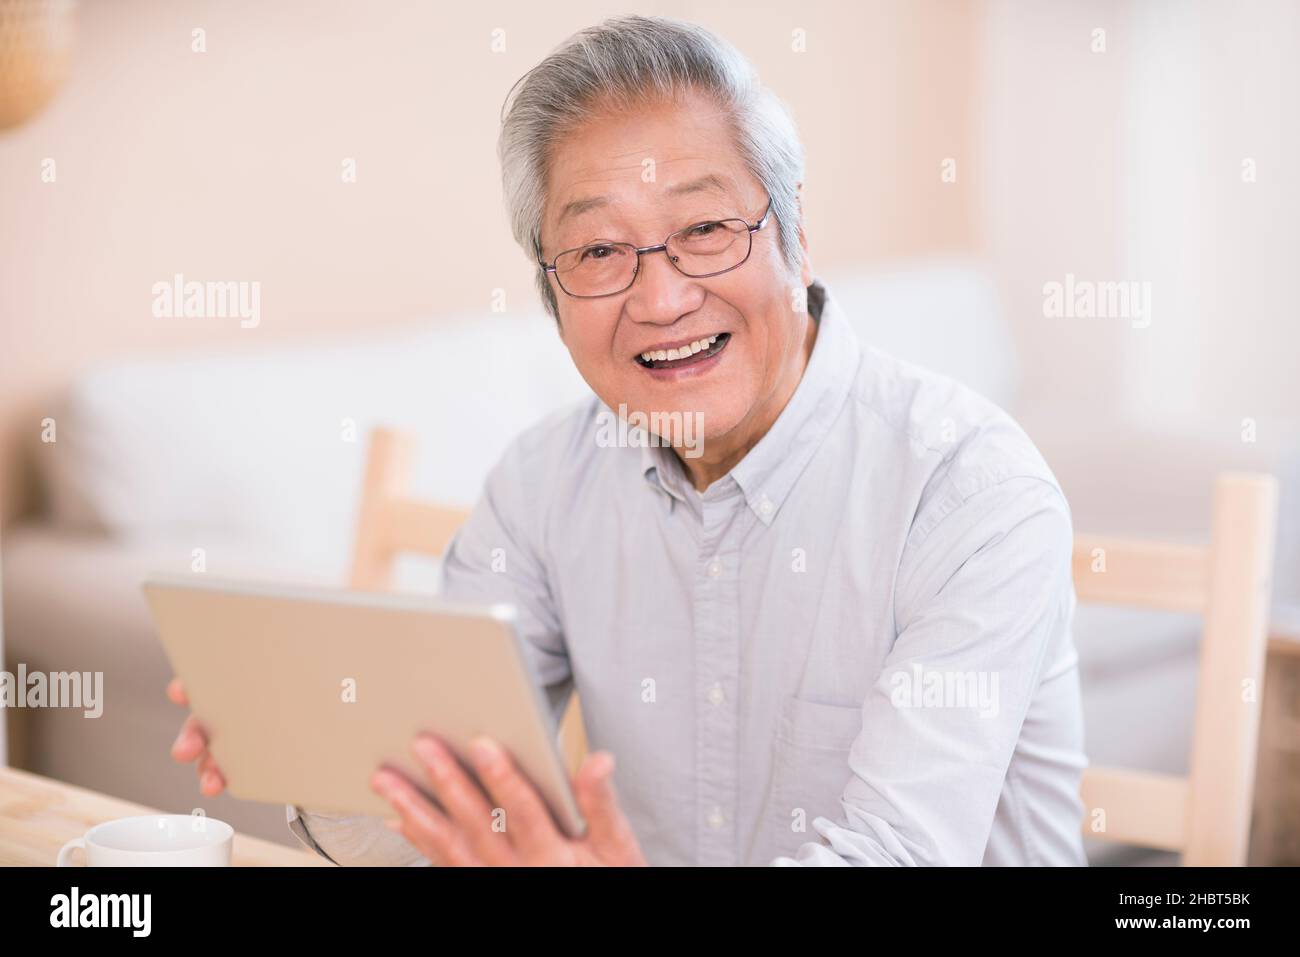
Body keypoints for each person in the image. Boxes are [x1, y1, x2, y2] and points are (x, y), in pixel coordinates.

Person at [170, 14, 1088, 867]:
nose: (660, 299)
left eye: (704, 228)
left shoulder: (968, 493)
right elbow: (451, 807)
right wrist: (314, 752)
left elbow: (902, 854)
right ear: (550, 288)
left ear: (795, 234)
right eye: (600, 251)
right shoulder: (540, 487)